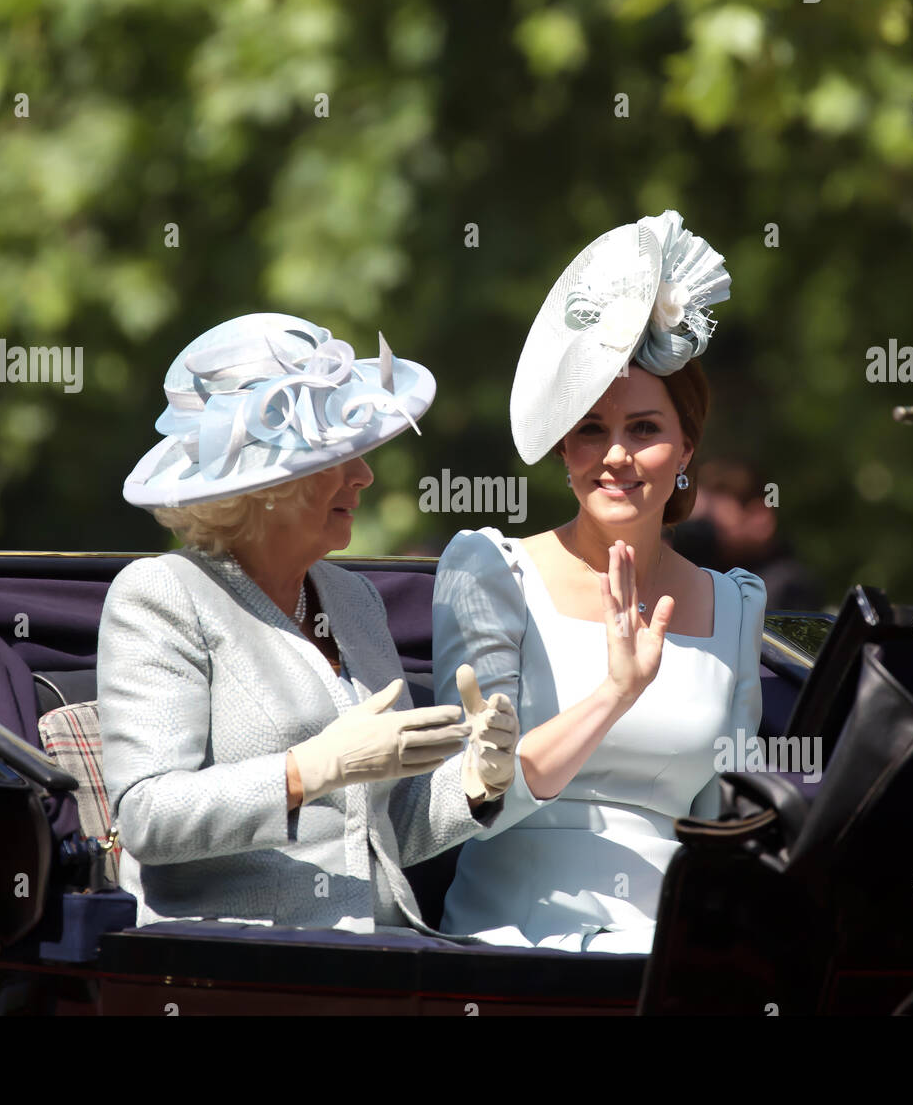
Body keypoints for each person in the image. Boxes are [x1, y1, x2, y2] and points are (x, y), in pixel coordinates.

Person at [99, 313, 520, 933]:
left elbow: (379, 830)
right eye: (336, 458)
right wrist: (308, 770)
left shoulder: (354, 600)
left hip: (383, 959)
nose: (365, 474)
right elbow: (148, 817)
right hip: (236, 969)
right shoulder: (162, 594)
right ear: (263, 484)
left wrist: (475, 780)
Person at [432, 211, 766, 953]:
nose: (614, 454)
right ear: (563, 449)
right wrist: (615, 693)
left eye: (643, 429)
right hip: (509, 952)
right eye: (589, 428)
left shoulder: (739, 604)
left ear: (687, 445)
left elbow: (728, 824)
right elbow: (461, 797)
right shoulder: (490, 568)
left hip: (668, 965)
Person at [670, 458, 824, 611]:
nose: (700, 531)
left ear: (759, 518)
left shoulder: (786, 587)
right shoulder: (698, 571)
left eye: (709, 519)